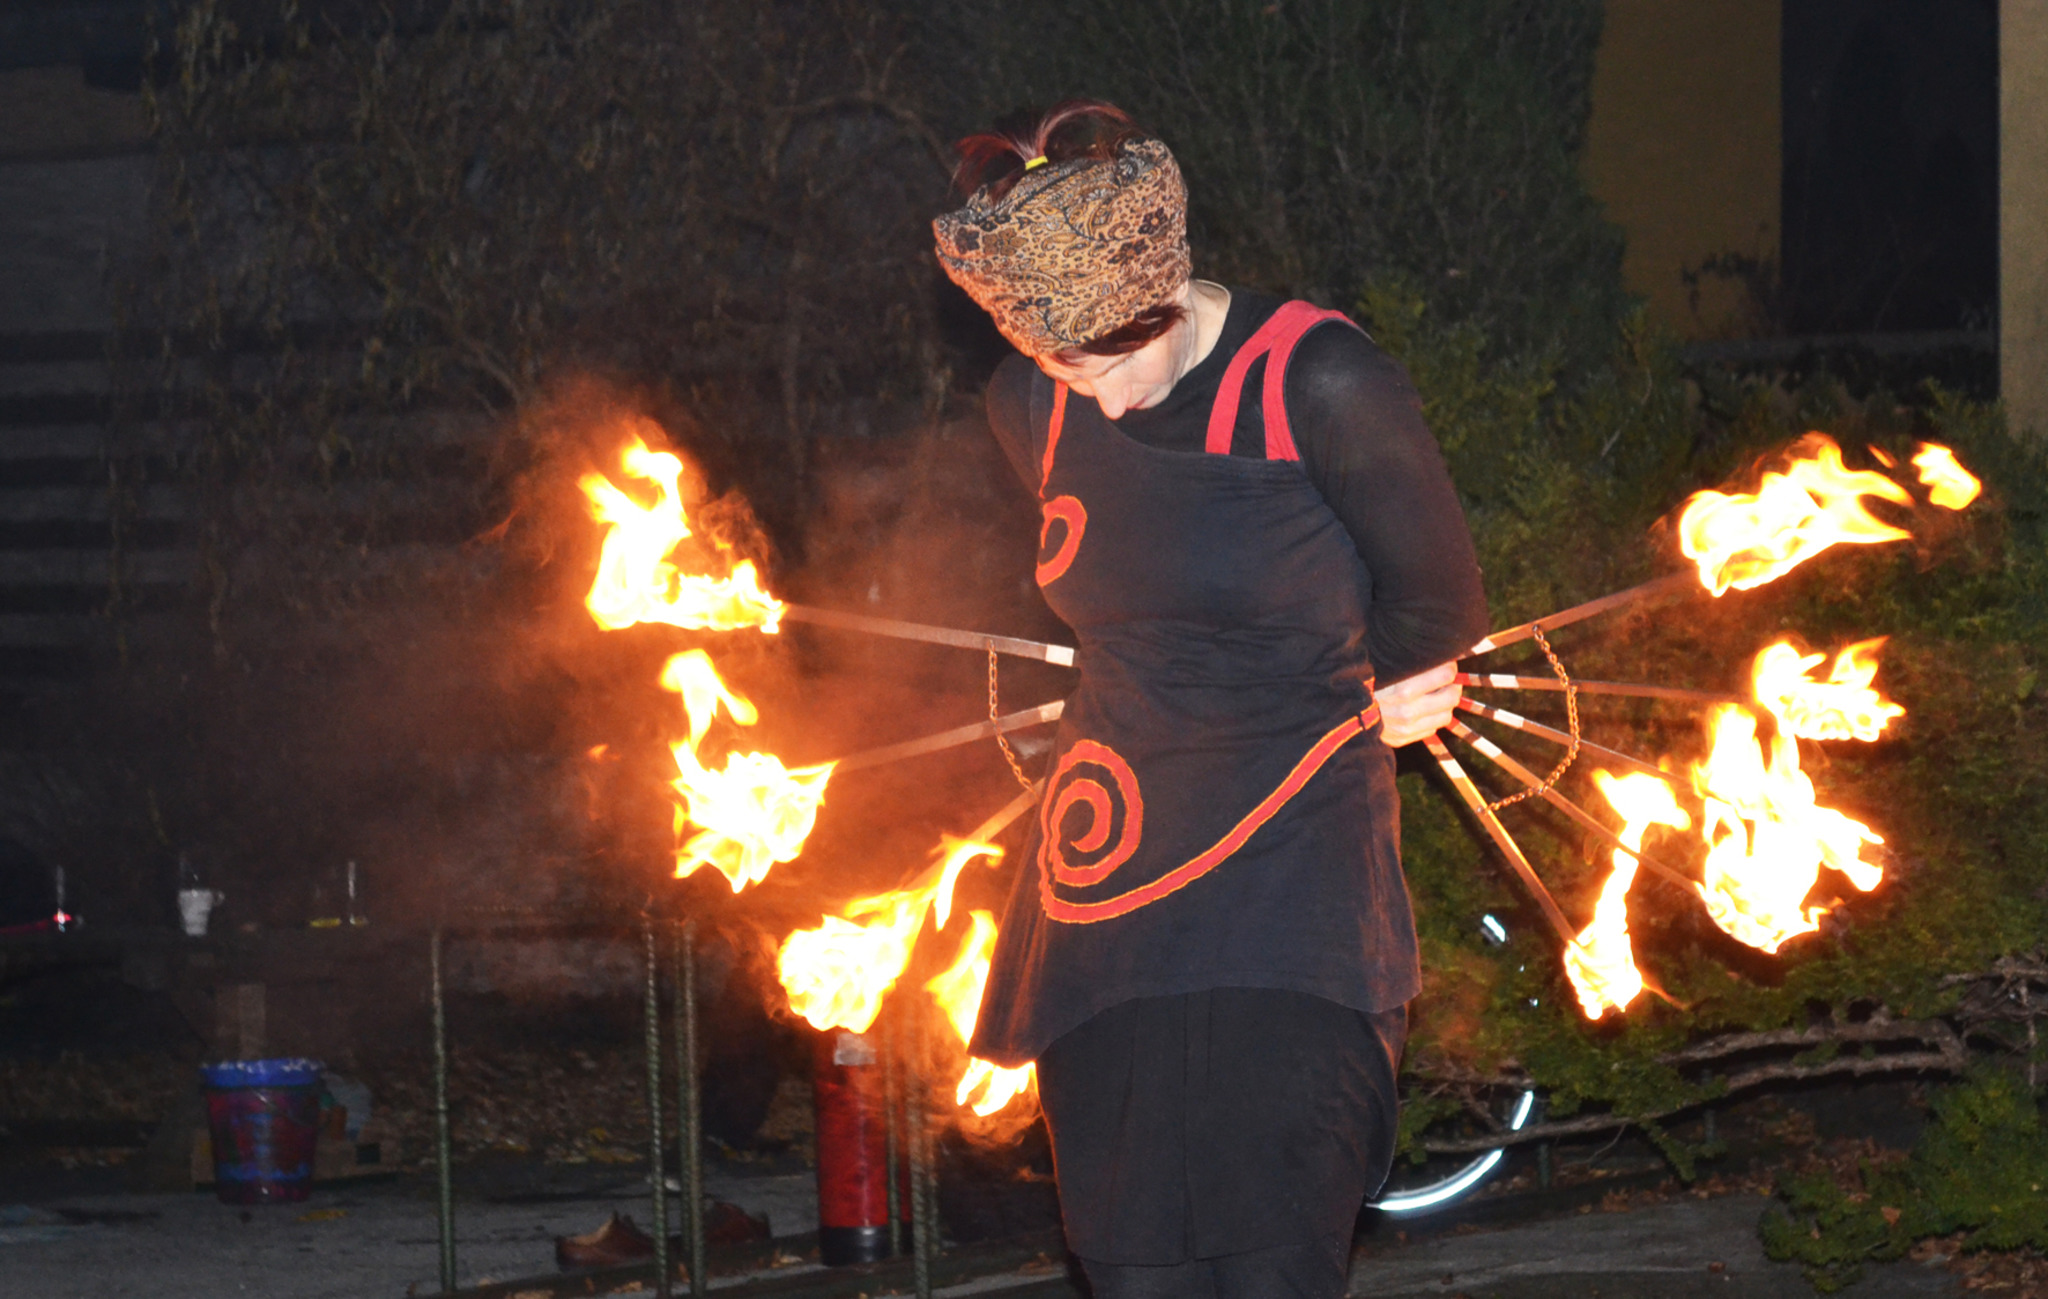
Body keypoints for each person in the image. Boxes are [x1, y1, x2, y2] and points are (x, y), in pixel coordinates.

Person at [931, 101, 1489, 1299]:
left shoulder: (1319, 380)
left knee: (1274, 1253)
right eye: (1063, 369)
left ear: (1165, 295)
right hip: (1102, 897)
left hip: (1293, 884)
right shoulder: (1026, 407)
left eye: (1115, 363)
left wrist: (1385, 687)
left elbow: (1436, 602)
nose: (1105, 402)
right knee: (1128, 1268)